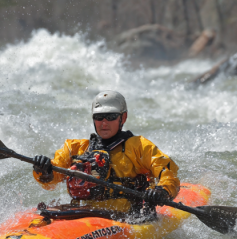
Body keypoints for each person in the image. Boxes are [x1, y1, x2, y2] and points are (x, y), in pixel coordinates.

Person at [31, 90, 179, 216]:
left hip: (125, 217)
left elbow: (167, 171)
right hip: (85, 215)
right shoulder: (75, 148)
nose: (104, 123)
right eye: (99, 117)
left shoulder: (138, 146)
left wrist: (162, 191)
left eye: (111, 117)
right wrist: (44, 170)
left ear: (123, 117)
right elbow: (52, 180)